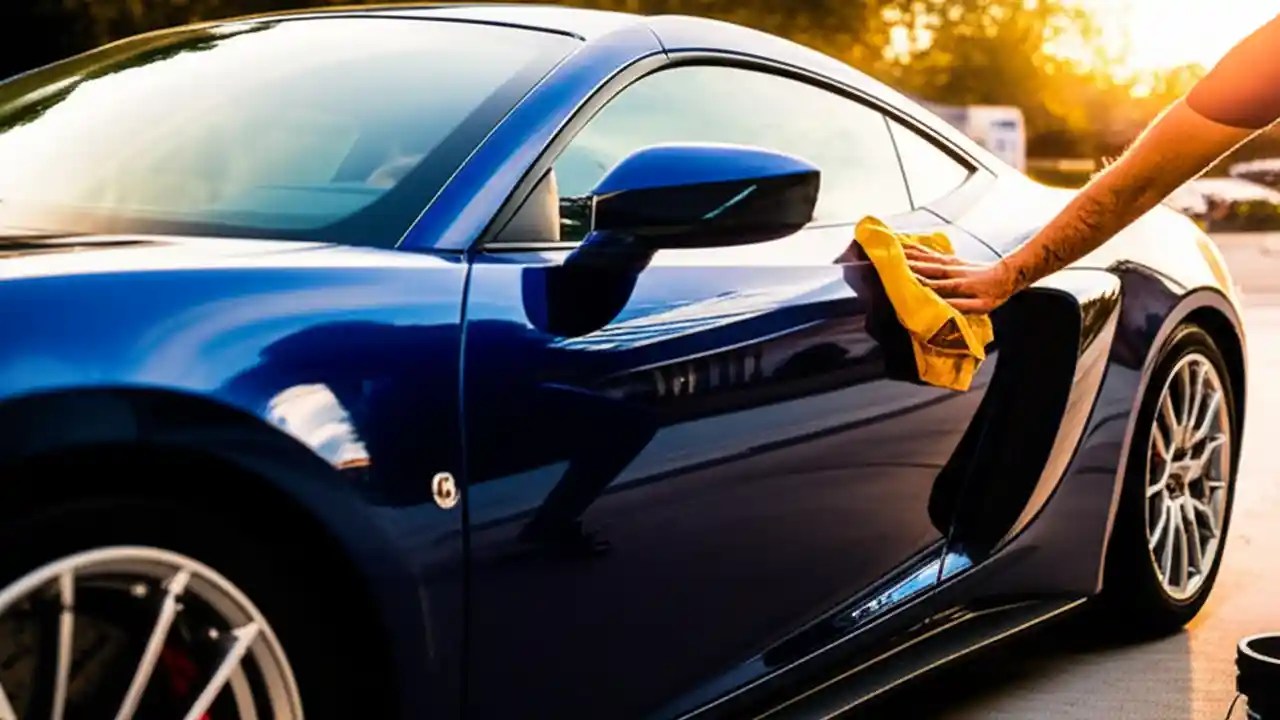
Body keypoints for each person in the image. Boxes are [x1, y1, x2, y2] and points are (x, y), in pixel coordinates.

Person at [906, 13, 1280, 314]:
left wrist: (1008, 274)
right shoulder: (1269, 58)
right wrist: (1008, 274)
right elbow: (1138, 183)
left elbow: (1138, 186)